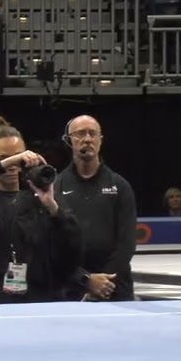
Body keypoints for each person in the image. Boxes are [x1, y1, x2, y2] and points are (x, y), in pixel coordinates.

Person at [0, 116, 82, 304]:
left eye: (18, 158)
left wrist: (53, 208)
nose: (13, 166)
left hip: (37, 295)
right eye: (4, 159)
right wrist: (10, 160)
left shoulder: (41, 199)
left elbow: (73, 247)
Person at [54, 115, 138, 301]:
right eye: (80, 134)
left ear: (100, 140)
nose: (87, 139)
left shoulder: (120, 186)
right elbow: (52, 244)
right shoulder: (56, 186)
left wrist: (103, 282)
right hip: (71, 288)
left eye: (92, 133)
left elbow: (127, 243)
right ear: (69, 141)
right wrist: (86, 280)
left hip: (115, 287)